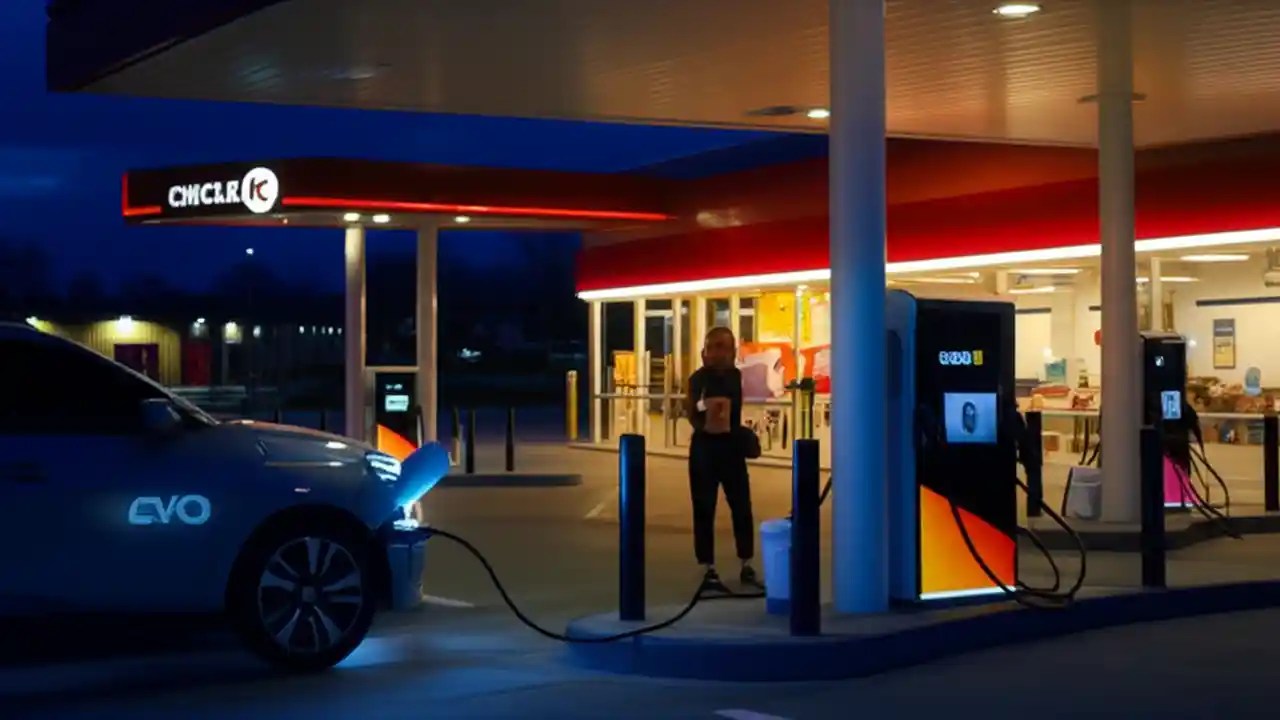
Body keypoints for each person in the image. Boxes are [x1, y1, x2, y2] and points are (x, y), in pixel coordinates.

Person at [685, 326, 758, 592]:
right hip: (704, 450)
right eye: (711, 347)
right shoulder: (697, 379)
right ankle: (708, 567)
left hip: (731, 450)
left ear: (733, 351)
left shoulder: (735, 377)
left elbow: (728, 408)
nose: (717, 353)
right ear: (704, 351)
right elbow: (693, 411)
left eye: (723, 347)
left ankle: (746, 563)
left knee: (742, 508)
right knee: (704, 510)